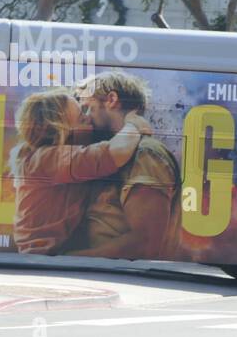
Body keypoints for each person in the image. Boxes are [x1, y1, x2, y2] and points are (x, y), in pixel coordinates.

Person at [10, 88, 152, 254]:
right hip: (44, 257)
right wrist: (133, 123)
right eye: (81, 118)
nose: (89, 119)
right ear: (60, 131)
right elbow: (117, 151)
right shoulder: (48, 159)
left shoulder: (43, 157)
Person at [67, 71, 182, 260]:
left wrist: (74, 258)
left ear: (111, 100)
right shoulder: (112, 152)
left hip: (124, 275)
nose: (86, 118)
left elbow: (146, 242)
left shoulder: (145, 154)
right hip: (110, 272)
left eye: (89, 108)